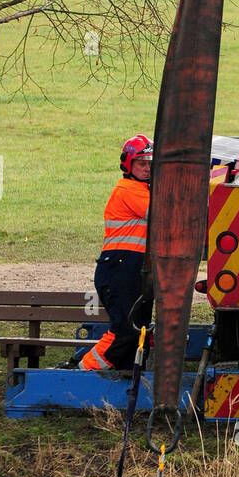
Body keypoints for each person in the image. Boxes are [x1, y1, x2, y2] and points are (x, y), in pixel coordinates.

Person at [80, 135, 153, 374]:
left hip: (132, 270)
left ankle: (127, 380)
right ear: (128, 165)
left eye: (151, 163)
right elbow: (162, 215)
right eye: (142, 163)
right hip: (120, 270)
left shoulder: (143, 189)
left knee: (138, 331)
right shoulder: (129, 190)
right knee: (126, 332)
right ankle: (85, 371)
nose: (147, 168)